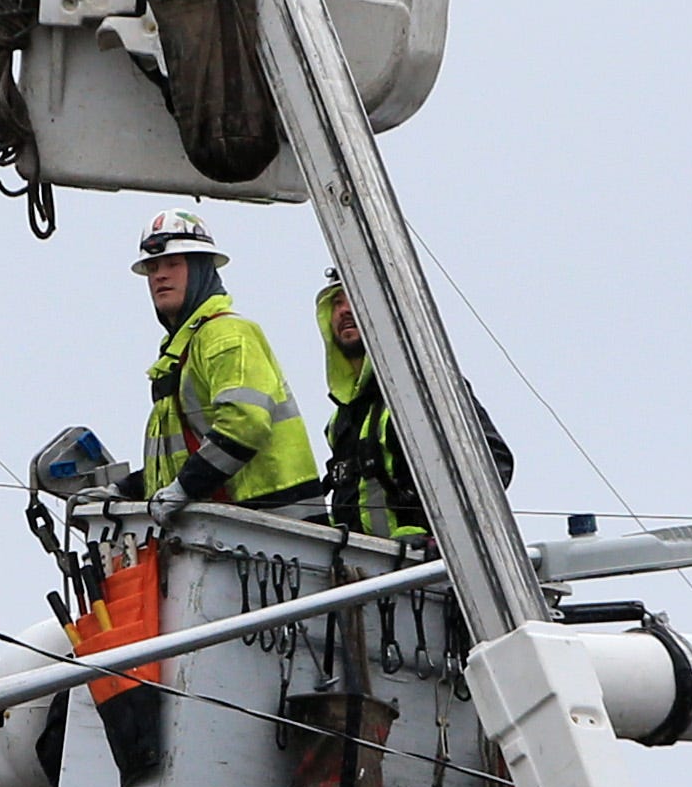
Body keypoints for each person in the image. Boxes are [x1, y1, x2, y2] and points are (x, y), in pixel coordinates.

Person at [132, 210, 318, 523]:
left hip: (279, 532)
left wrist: (184, 487)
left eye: (173, 264)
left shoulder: (225, 333)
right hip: (237, 533)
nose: (159, 275)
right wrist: (126, 489)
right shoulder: (180, 352)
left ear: (201, 269)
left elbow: (245, 422)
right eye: (152, 267)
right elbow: (183, 460)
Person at [317, 270, 512, 544]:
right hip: (366, 568)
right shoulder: (341, 418)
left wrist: (443, 537)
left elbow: (492, 464)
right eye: (336, 302)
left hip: (427, 569)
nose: (344, 310)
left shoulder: (426, 387)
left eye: (354, 298)